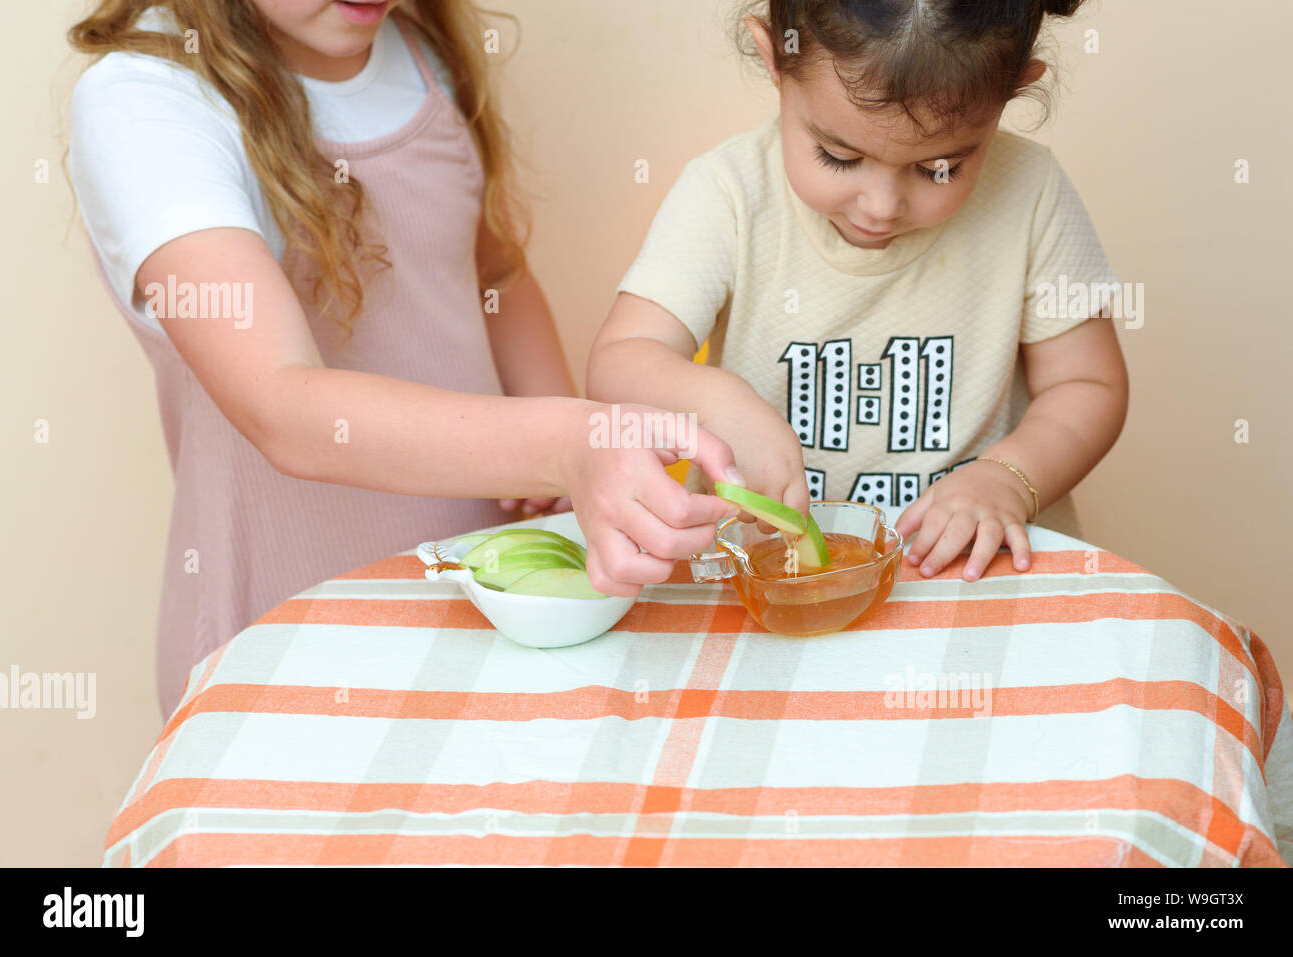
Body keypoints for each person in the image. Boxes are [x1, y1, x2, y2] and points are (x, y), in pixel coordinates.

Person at [68, 0, 739, 717]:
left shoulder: (422, 56)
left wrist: (563, 477)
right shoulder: (146, 100)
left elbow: (494, 277)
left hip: (485, 605)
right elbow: (283, 405)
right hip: (284, 643)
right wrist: (563, 442)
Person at [587, 0, 1129, 584]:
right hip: (770, 582)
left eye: (938, 168)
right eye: (838, 157)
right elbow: (618, 363)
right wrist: (720, 405)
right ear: (775, 59)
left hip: (973, 584)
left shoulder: (1032, 193)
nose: (882, 207)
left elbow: (1087, 384)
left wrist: (1009, 476)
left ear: (1012, 90)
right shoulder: (728, 196)